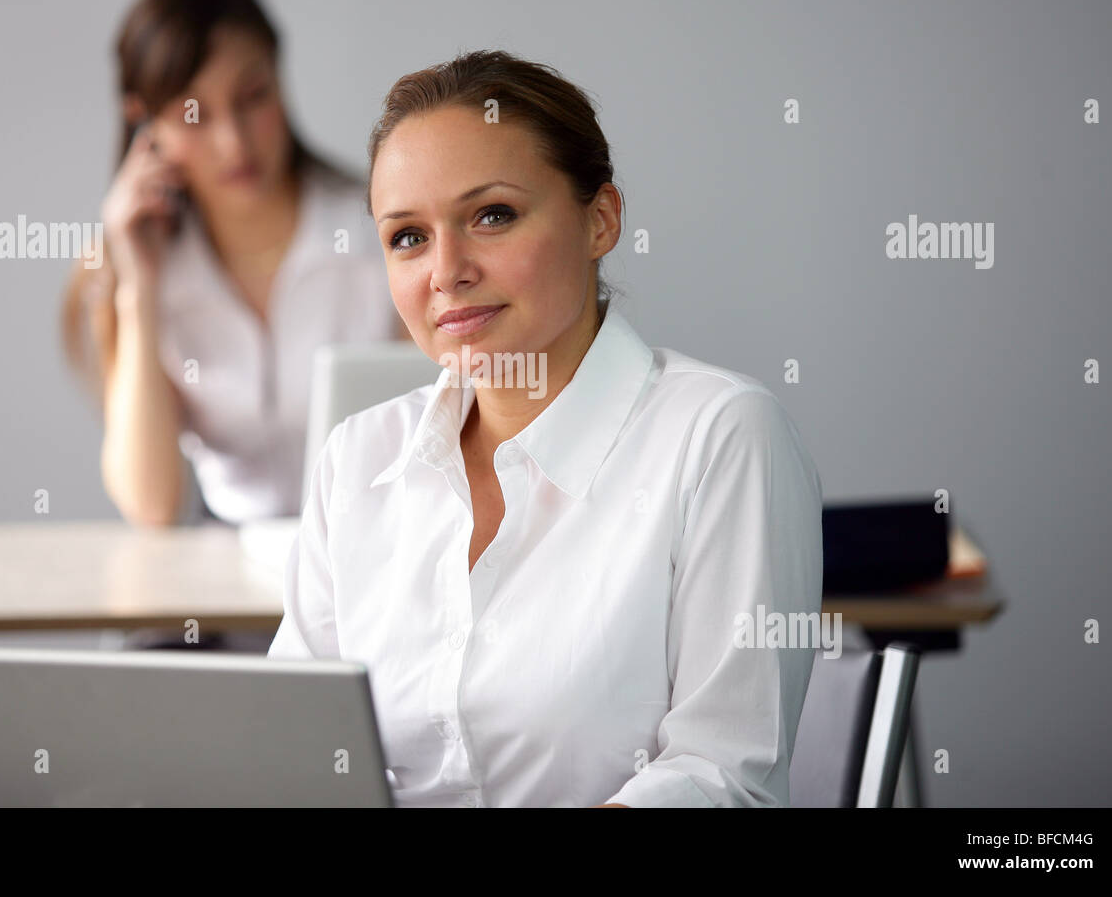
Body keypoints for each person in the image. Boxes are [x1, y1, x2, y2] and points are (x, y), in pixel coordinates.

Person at [267, 49, 825, 806]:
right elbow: (289, 750)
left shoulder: (720, 437)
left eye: (492, 216)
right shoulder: (357, 458)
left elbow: (723, 777)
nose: (446, 271)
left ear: (600, 220)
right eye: (408, 236)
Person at [61, 0, 406, 529]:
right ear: (144, 123)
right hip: (225, 573)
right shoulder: (145, 267)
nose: (234, 142)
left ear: (279, 77)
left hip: (372, 547)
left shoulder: (380, 229)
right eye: (194, 115)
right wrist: (139, 290)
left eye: (253, 97)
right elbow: (151, 505)